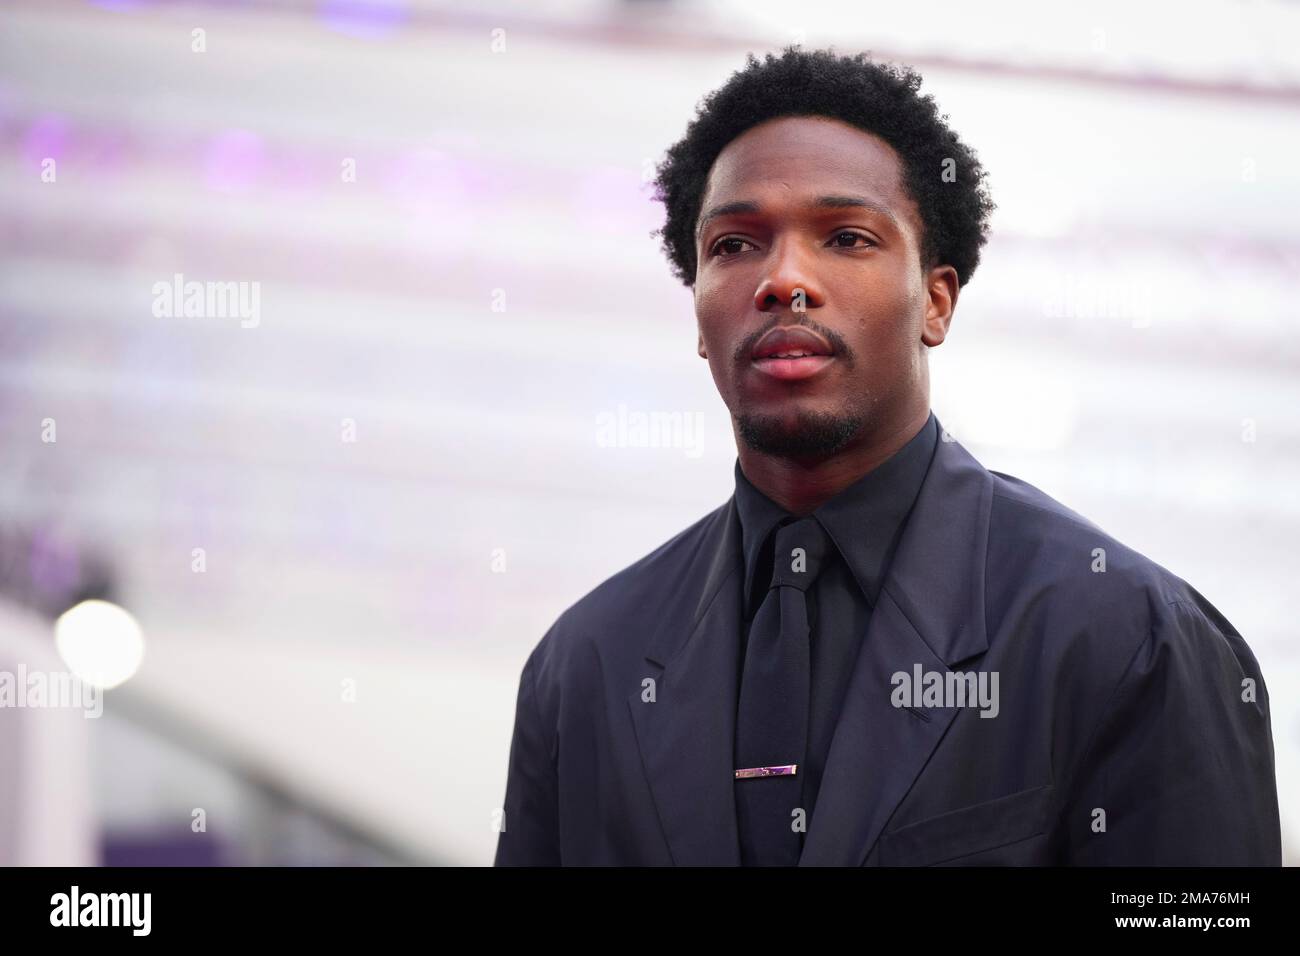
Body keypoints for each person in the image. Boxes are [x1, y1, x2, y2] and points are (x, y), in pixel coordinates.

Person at [493, 47, 1282, 866]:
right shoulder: (585, 665)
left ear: (936, 301)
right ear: (698, 317)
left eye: (845, 236)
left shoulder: (1124, 637)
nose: (784, 280)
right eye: (733, 245)